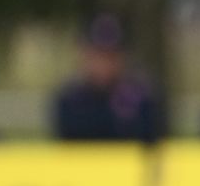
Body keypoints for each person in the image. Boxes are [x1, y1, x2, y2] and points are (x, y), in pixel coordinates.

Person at [53, 14, 158, 143]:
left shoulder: (141, 98)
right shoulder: (70, 100)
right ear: (85, 55)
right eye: (98, 55)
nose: (103, 64)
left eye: (110, 56)